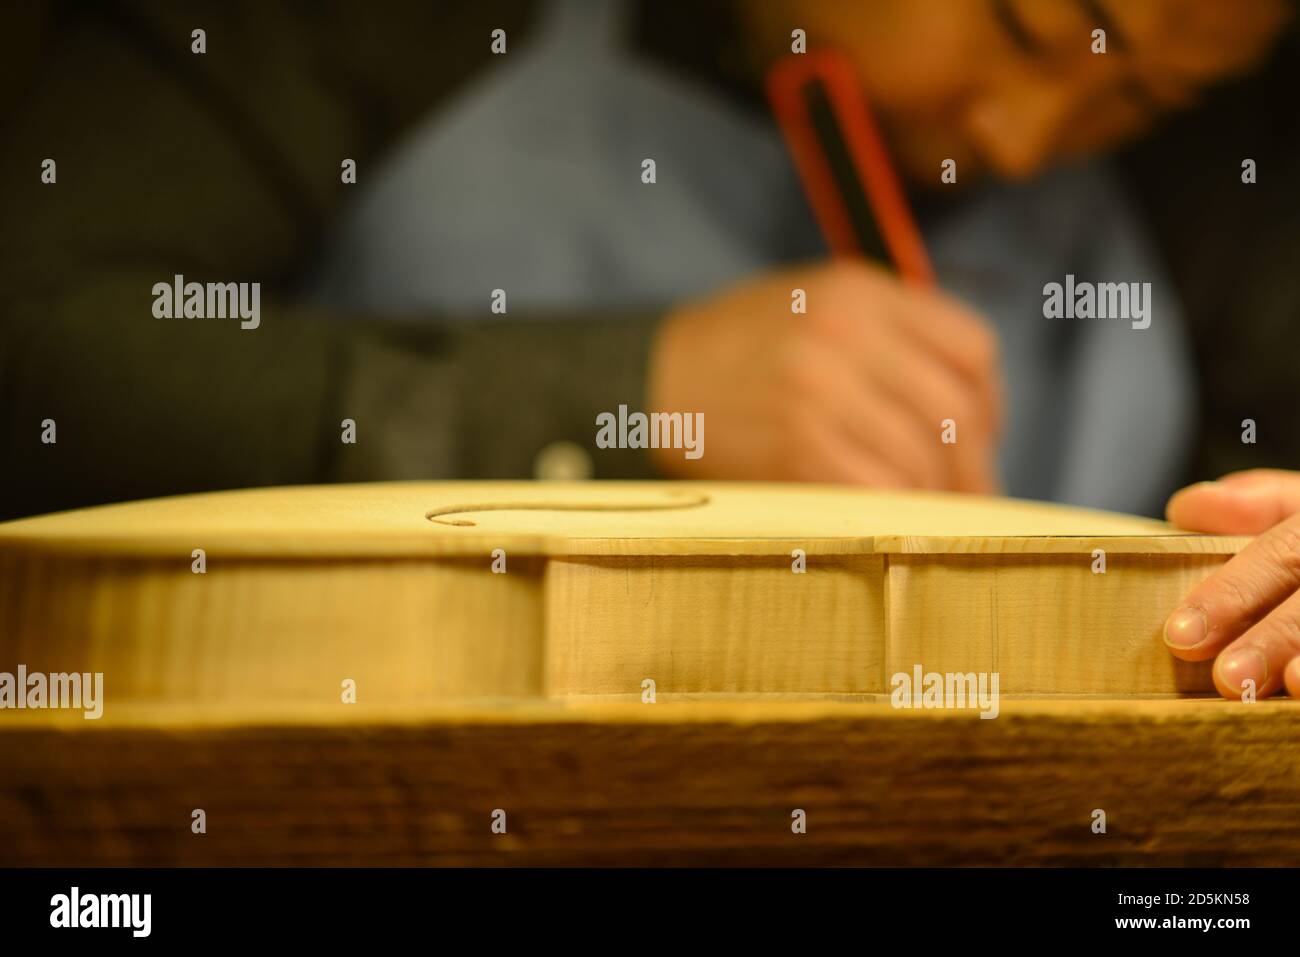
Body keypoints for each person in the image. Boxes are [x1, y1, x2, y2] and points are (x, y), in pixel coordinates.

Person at [0, 0, 1294, 697]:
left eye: (1141, 97)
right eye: (1026, 26)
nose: (1020, 140)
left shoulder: (1211, 192)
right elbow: (34, 343)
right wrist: (622, 398)